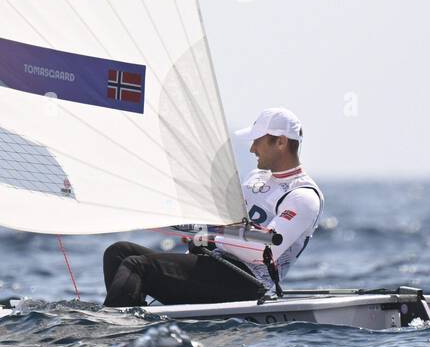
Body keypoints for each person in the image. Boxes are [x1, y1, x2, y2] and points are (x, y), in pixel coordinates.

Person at [103, 107, 324, 307]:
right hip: (213, 266)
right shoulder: (256, 177)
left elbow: (264, 251)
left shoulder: (303, 196)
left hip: (245, 281)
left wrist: (211, 238)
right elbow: (221, 218)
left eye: (257, 140)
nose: (252, 148)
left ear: (281, 142)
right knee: (118, 252)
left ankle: (116, 330)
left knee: (136, 266)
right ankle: (134, 314)